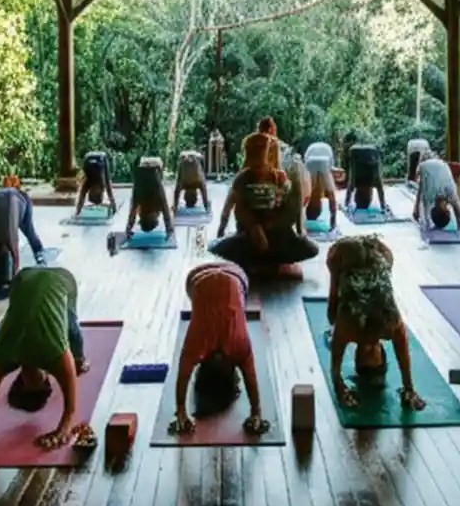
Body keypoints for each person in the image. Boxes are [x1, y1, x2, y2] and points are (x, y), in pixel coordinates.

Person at [0, 266, 92, 449]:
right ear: (47, 380)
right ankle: (78, 357)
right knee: (66, 323)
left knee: (70, 327)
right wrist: (62, 429)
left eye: (28, 381)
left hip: (38, 278)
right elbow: (70, 405)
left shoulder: (5, 354)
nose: (32, 375)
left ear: (19, 380)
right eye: (38, 381)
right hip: (45, 278)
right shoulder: (55, 356)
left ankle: (80, 356)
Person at [169, 262, 270, 435]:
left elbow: (184, 375)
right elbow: (250, 379)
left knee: (229, 301)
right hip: (211, 276)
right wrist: (256, 412)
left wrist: (181, 411)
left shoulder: (201, 344)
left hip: (230, 275)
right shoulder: (235, 346)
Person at [326, 235, 425, 409]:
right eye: (373, 354)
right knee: (382, 264)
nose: (368, 350)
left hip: (343, 253)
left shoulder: (348, 330)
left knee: (333, 315)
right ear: (381, 348)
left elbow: (335, 367)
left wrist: (339, 388)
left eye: (364, 357)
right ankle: (368, 252)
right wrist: (409, 388)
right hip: (378, 249)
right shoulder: (389, 327)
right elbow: (402, 349)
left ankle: (357, 258)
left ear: (356, 356)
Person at [210, 130, 318, 270]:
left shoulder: (279, 177)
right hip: (249, 236)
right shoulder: (243, 178)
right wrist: (226, 232)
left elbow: (293, 208)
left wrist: (281, 225)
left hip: (277, 233)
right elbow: (230, 208)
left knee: (309, 248)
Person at [0, 186, 46, 295]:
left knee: (28, 229)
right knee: (29, 231)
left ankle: (40, 255)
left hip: (16, 199)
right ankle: (40, 254)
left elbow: (15, 257)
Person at [412, 155, 460, 232]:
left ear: (447, 211)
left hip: (443, 165)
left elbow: (456, 206)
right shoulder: (429, 196)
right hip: (429, 166)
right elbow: (420, 195)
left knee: (423, 182)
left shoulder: (434, 195)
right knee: (422, 182)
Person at [126, 157, 175, 239]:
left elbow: (166, 212)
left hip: (154, 167)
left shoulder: (156, 202)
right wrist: (128, 228)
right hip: (143, 169)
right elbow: (132, 212)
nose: (158, 215)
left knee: (158, 182)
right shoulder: (141, 204)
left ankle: (156, 172)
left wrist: (128, 228)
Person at [303, 141, 339, 230]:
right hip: (318, 159)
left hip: (311, 160)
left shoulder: (308, 192)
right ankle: (333, 223)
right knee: (331, 194)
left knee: (331, 194)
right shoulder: (308, 193)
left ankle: (333, 222)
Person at [344, 144, 390, 213]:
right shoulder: (354, 183)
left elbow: (381, 194)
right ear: (357, 193)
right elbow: (349, 192)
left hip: (369, 153)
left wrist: (347, 204)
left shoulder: (375, 182)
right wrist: (383, 206)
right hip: (361, 153)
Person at [75, 151, 117, 218]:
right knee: (107, 181)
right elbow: (109, 193)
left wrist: (77, 213)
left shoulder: (87, 184)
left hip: (95, 158)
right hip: (91, 158)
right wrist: (114, 209)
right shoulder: (91, 184)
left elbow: (81, 199)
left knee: (106, 179)